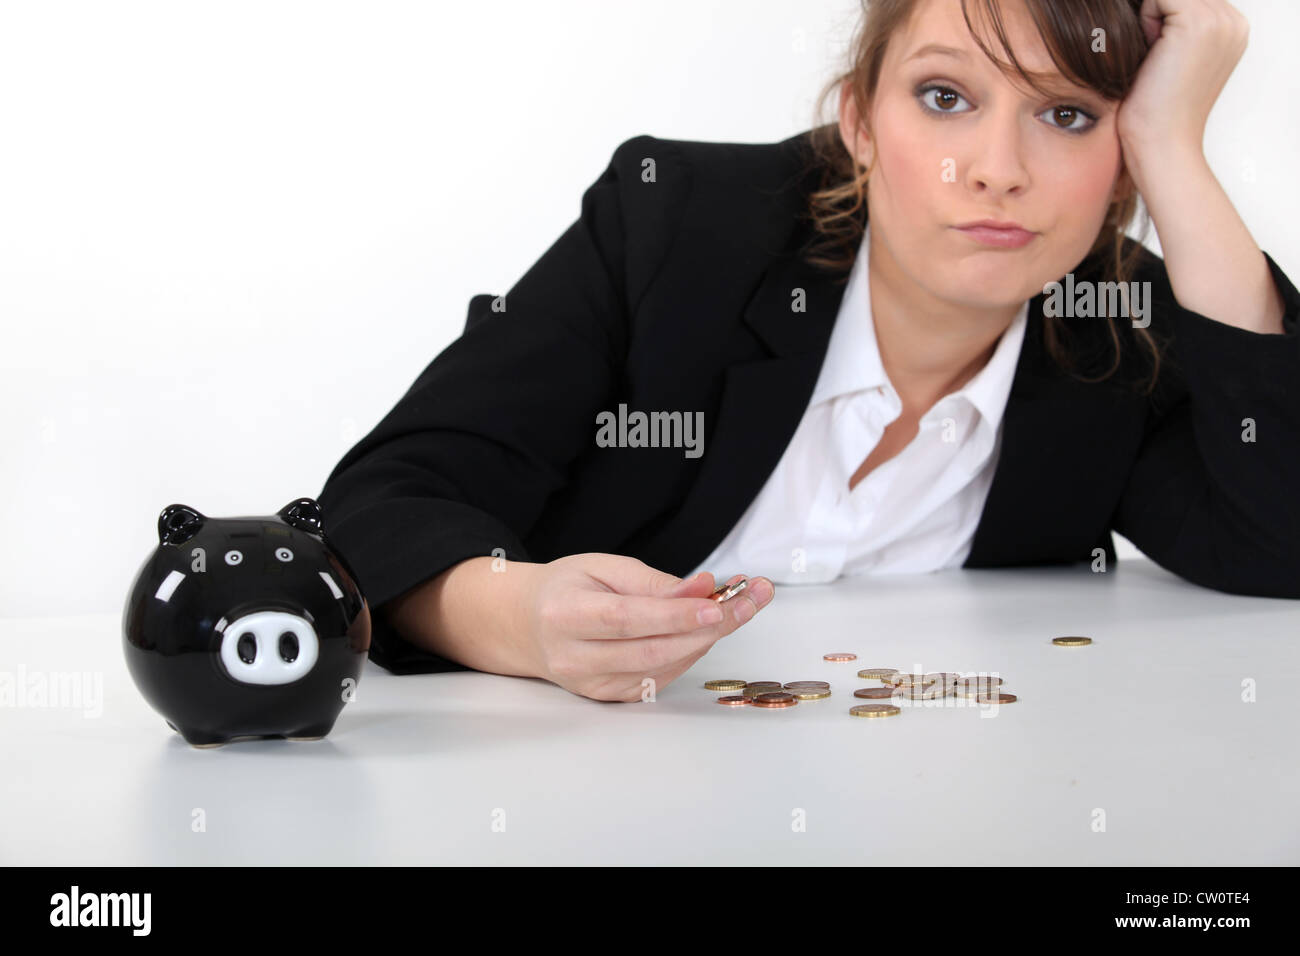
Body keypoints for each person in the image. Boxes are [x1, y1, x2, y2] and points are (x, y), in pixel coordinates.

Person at [317, 0, 1299, 702]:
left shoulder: (1121, 328)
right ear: (859, 122)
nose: (997, 171)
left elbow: (1281, 541)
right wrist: (525, 616)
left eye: (1069, 114)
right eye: (945, 97)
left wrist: (1176, 148)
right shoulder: (675, 227)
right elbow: (384, 502)